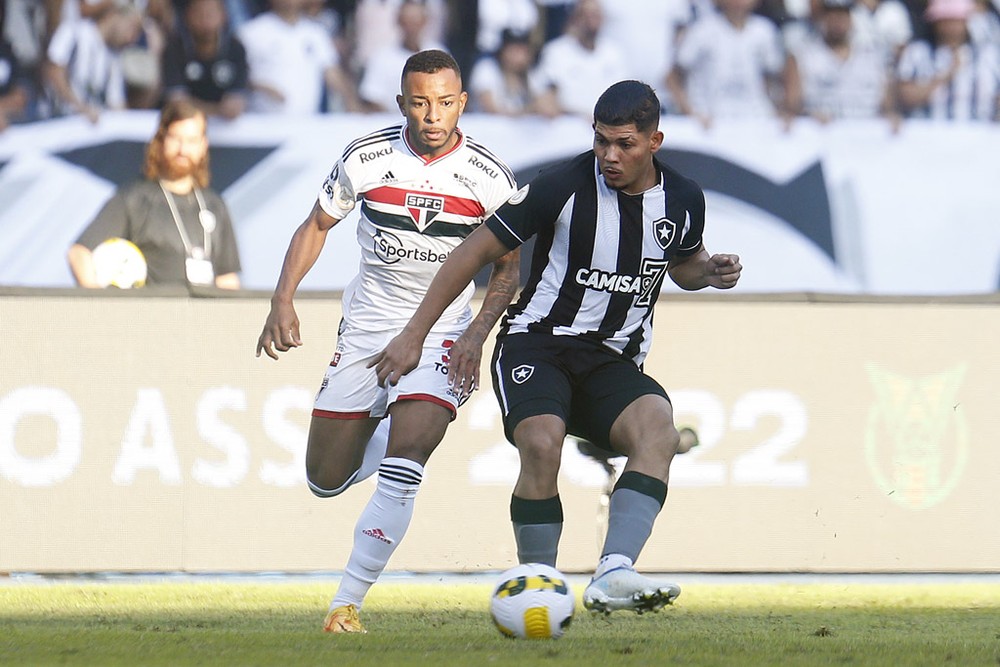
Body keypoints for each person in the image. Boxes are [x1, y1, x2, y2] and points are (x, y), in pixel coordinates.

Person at [373, 80, 742, 615]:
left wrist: (710, 272)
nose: (609, 156)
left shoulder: (683, 199)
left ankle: (614, 573)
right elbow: (471, 252)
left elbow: (683, 264)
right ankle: (538, 586)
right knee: (542, 443)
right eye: (601, 141)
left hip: (613, 358)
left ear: (654, 142)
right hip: (538, 344)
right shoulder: (562, 185)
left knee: (659, 430)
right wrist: (416, 334)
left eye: (624, 144)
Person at [254, 49, 519, 633]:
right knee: (324, 481)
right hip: (368, 330)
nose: (433, 115)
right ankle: (383, 425)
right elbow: (316, 225)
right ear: (402, 103)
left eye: (444, 103)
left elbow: (508, 269)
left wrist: (476, 334)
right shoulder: (366, 158)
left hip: (443, 332)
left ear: (462, 103)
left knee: (408, 459)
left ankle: (346, 603)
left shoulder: (489, 177)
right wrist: (282, 298)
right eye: (420, 103)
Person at [68, 99, 242, 288]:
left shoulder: (215, 204)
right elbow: (79, 253)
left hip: (206, 306)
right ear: (160, 140)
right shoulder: (134, 199)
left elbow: (227, 278)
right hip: (154, 306)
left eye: (192, 141)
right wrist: (99, 302)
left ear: (203, 145)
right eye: (175, 138)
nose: (183, 150)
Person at [666, 0, 797, 129]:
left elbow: (776, 76)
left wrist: (784, 111)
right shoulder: (702, 30)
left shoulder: (764, 31)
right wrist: (689, 112)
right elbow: (672, 76)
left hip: (757, 119)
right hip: (710, 121)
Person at [238, 0, 360, 114]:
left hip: (307, 120)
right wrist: (261, 87)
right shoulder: (251, 32)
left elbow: (332, 73)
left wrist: (350, 100)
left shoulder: (316, 33)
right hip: (262, 120)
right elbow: (238, 76)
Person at [896, 0, 1000, 121]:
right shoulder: (917, 52)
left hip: (978, 130)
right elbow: (905, 98)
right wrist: (947, 75)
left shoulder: (988, 56)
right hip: (927, 130)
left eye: (956, 20)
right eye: (945, 20)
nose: (951, 27)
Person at [41, 3, 142, 122]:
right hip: (58, 120)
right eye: (132, 28)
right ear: (115, 16)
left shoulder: (114, 58)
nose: (131, 39)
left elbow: (117, 103)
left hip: (93, 123)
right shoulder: (74, 32)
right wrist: (80, 107)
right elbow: (53, 73)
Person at [532, 0, 628, 119]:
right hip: (568, 122)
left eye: (595, 15)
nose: (591, 20)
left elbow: (625, 96)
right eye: (586, 15)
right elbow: (544, 97)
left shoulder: (613, 53)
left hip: (607, 123)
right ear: (575, 18)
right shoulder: (556, 52)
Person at [162, 0, 250, 120]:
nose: (205, 20)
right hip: (184, 124)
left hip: (226, 128)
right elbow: (176, 102)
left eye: (210, 14)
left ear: (223, 16)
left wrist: (199, 107)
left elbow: (235, 103)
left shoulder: (236, 49)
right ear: (187, 15)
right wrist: (217, 111)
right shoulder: (174, 48)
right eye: (199, 13)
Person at [358, 0, 447, 113]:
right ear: (399, 22)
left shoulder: (439, 54)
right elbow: (373, 99)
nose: (411, 27)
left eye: (415, 21)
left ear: (424, 22)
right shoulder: (382, 58)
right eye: (407, 22)